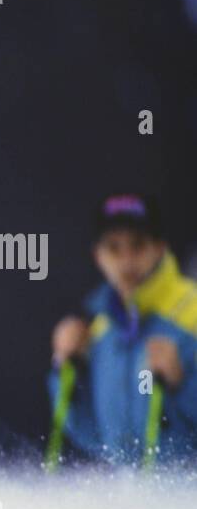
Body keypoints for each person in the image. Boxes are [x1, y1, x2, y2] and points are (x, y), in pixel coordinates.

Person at [49, 194, 197, 465]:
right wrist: (66, 370)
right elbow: (95, 438)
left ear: (160, 249)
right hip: (131, 498)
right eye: (114, 248)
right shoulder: (100, 329)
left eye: (138, 246)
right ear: (97, 256)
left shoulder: (192, 310)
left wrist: (184, 385)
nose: (126, 261)